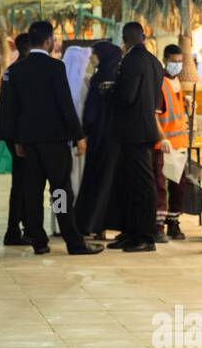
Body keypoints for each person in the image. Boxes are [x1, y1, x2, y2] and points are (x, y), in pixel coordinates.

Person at [3, 22, 100, 256]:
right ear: (48, 41)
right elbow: (65, 105)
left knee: (32, 192)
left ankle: (39, 241)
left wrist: (16, 140)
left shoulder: (16, 70)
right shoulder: (55, 68)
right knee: (60, 192)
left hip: (28, 144)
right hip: (54, 143)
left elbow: (10, 109)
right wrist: (78, 136)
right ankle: (73, 241)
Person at [105, 23, 163, 253]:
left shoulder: (131, 61)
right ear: (144, 35)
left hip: (134, 131)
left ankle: (145, 236)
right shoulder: (154, 61)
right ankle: (131, 231)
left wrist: (109, 93)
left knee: (141, 184)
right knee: (130, 183)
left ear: (124, 39)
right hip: (143, 128)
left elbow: (127, 97)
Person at [72, 39, 124, 241]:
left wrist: (84, 131)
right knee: (107, 182)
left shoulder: (100, 77)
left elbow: (91, 111)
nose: (92, 58)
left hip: (99, 137)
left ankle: (90, 223)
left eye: (95, 54)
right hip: (113, 138)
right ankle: (102, 225)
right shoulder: (116, 76)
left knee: (96, 180)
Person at [0, 32, 34, 245]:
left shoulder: (12, 70)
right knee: (24, 183)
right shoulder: (22, 71)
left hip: (13, 135)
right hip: (21, 138)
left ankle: (22, 227)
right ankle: (18, 229)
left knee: (21, 183)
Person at [155, 43, 189, 242]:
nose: (177, 65)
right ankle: (158, 226)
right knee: (161, 186)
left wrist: (187, 105)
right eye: (173, 61)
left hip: (180, 144)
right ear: (165, 60)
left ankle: (173, 223)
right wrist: (162, 137)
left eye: (179, 62)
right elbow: (155, 115)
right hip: (164, 144)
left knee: (178, 186)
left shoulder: (178, 83)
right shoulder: (160, 83)